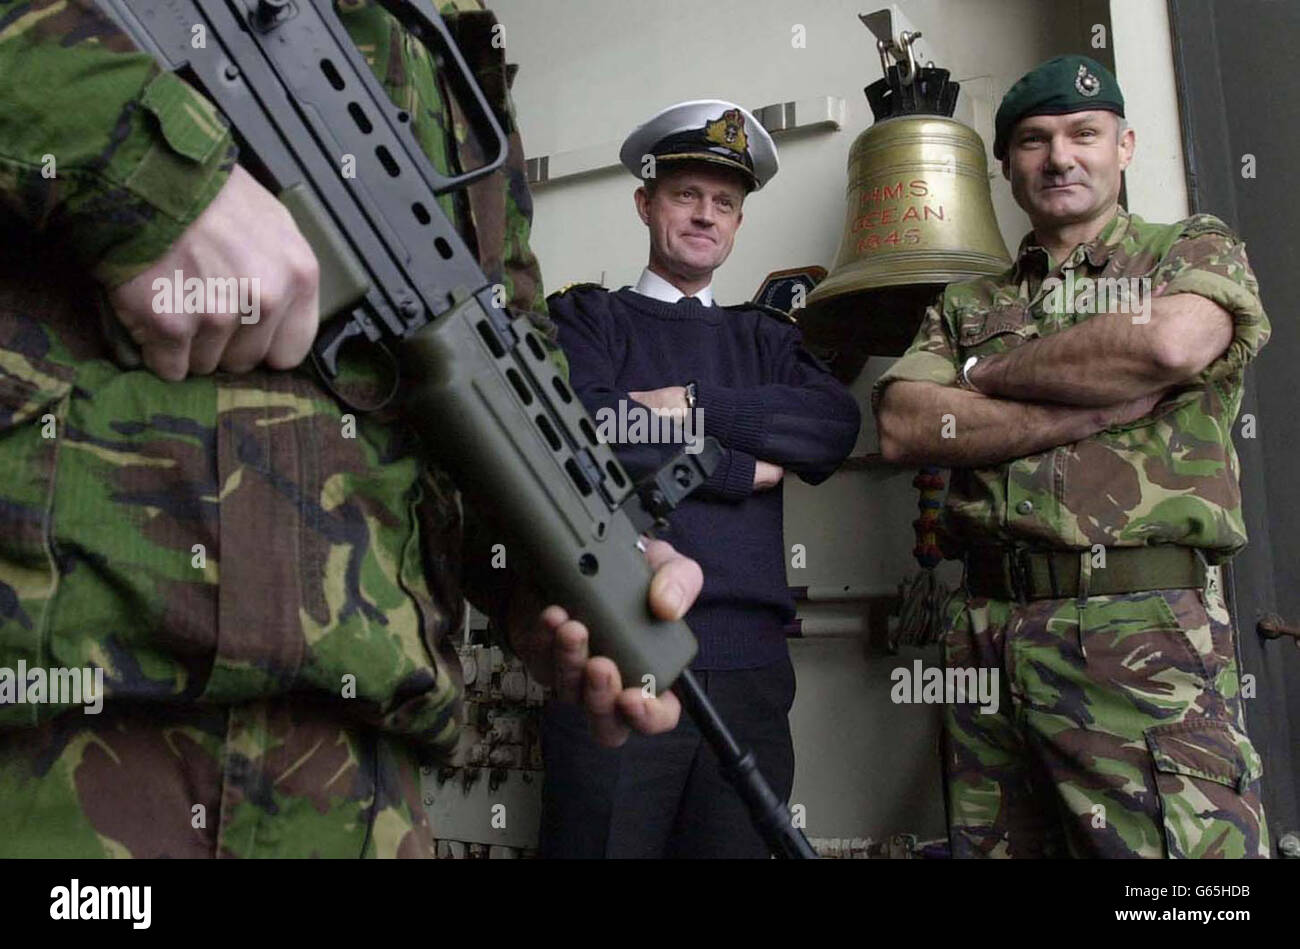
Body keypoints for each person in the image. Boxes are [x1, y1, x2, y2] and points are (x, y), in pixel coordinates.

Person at [0, 0, 699, 858]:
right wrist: (143, 169)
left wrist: (561, 555)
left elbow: (496, 341)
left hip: (365, 762)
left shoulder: (456, 27)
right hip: (61, 690)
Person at [873, 55, 1271, 858]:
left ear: (1124, 146)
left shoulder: (1189, 248)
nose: (1060, 157)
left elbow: (1166, 340)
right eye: (1033, 140)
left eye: (1083, 134)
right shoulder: (967, 303)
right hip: (985, 634)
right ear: (1007, 166)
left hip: (1141, 628)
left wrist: (983, 379)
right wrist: (1090, 404)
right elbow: (905, 423)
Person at [541, 100, 861, 858]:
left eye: (724, 202)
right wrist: (737, 464)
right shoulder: (588, 321)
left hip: (752, 670)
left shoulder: (765, 338)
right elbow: (584, 434)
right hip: (622, 650)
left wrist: (694, 403)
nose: (705, 215)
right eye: (686, 194)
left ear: (739, 223)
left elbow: (832, 428)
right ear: (645, 202)